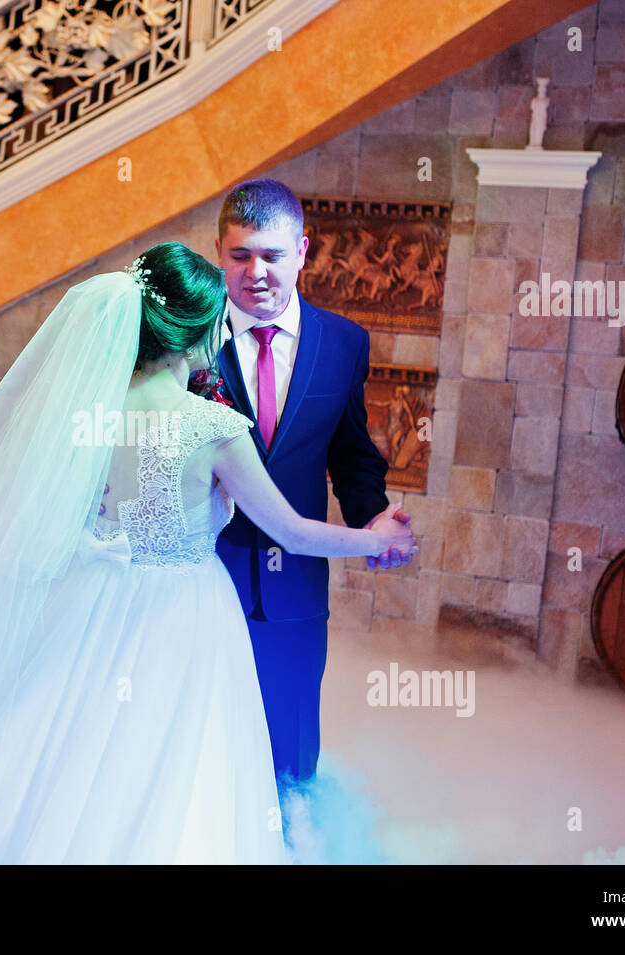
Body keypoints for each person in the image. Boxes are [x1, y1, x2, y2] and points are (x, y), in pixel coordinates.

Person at [0, 242, 415, 863]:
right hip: (184, 611)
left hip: (95, 596)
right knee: (174, 760)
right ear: (200, 333)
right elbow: (293, 532)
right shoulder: (212, 427)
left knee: (73, 748)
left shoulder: (90, 412)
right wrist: (377, 539)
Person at [212, 179, 416, 790]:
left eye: (272, 256)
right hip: (199, 578)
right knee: (199, 740)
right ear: (219, 252)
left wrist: (373, 520)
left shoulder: (344, 343)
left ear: (303, 250)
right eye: (240, 255)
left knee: (291, 748)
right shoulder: (189, 342)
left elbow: (352, 454)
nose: (256, 273)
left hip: (296, 586)